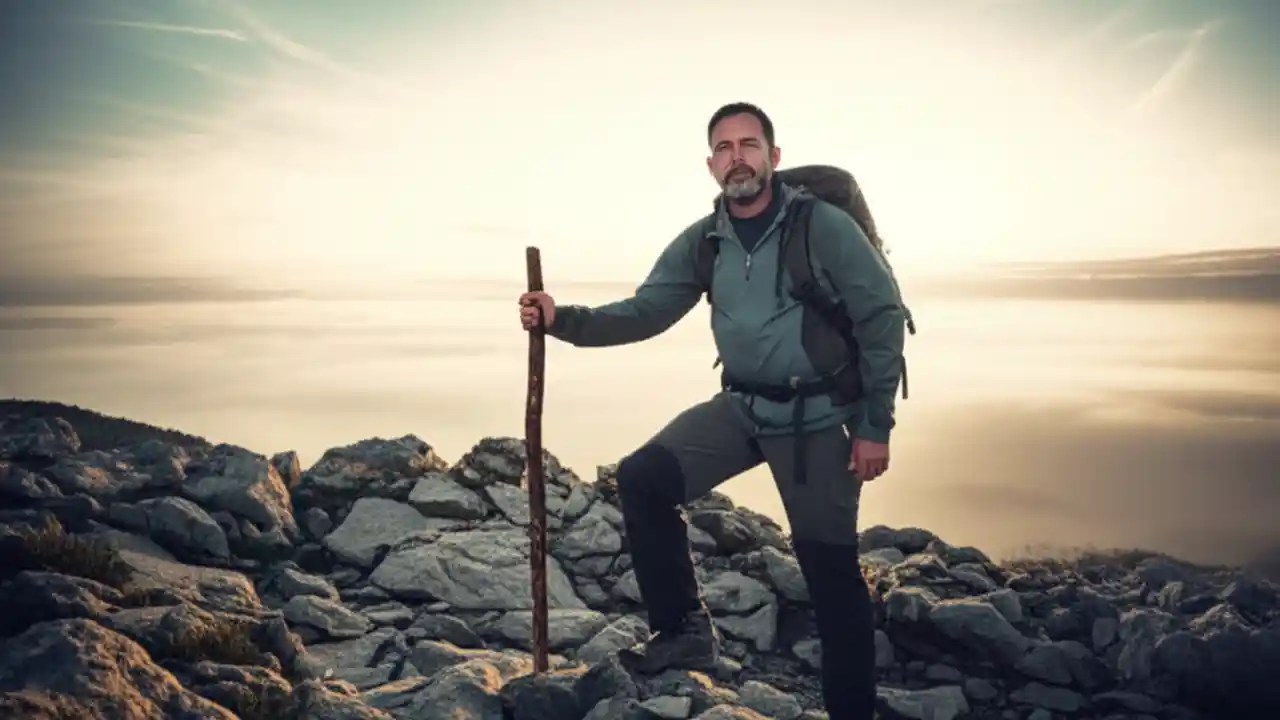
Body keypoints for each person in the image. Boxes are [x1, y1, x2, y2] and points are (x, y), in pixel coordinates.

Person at [518, 101, 907, 720]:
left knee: (830, 577)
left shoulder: (821, 225)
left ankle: (852, 711)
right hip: (744, 407)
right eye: (724, 149)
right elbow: (647, 310)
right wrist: (563, 320)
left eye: (749, 145)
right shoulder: (706, 240)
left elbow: (882, 315)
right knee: (644, 478)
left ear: (774, 158)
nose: (737, 159)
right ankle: (683, 630)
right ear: (710, 165)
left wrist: (873, 425)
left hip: (815, 421)